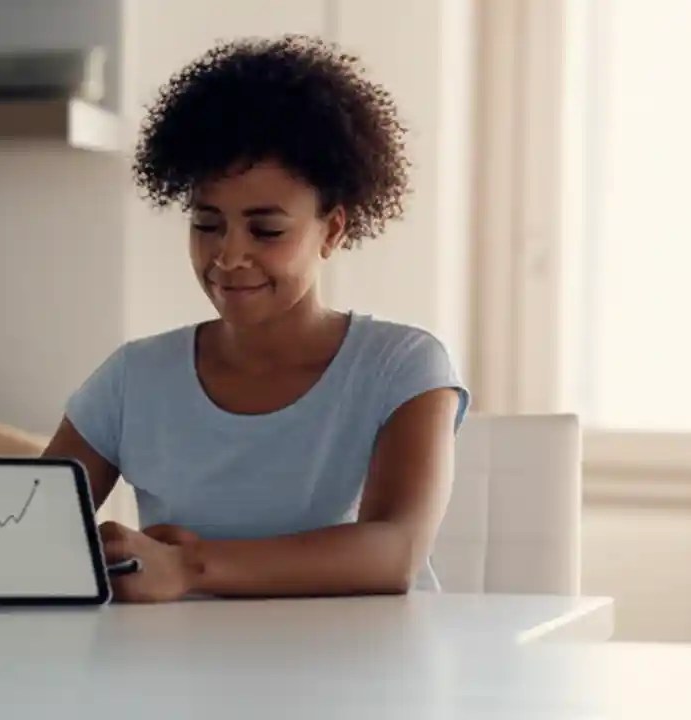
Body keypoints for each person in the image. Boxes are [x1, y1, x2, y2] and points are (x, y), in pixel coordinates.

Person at [42, 34, 470, 602]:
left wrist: (189, 567)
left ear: (333, 230)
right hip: (181, 677)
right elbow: (30, 533)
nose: (228, 256)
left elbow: (393, 552)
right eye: (207, 224)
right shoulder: (133, 377)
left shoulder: (400, 366)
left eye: (266, 231)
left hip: (363, 673)